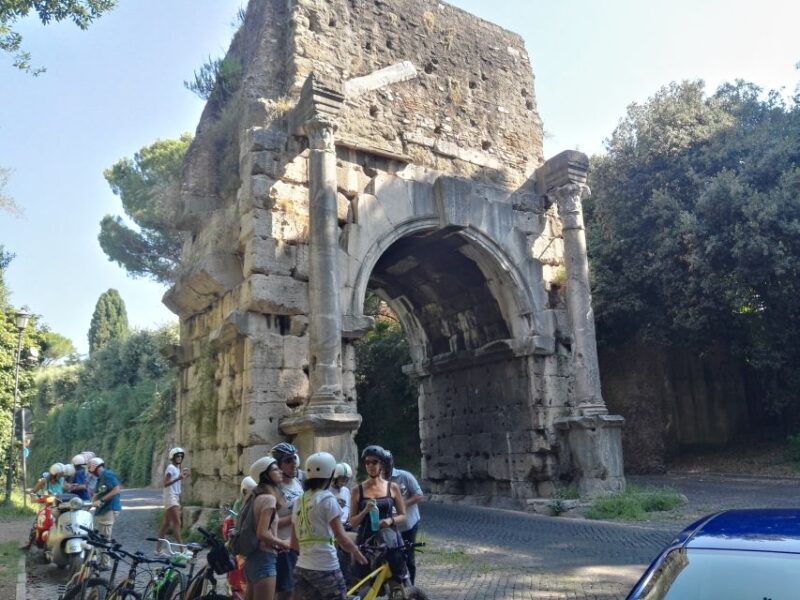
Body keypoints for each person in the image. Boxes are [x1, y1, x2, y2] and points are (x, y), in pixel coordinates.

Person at [290, 452, 366, 600]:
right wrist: (356, 552)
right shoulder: (327, 499)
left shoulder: (300, 500)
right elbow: (341, 536)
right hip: (325, 566)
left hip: (302, 567)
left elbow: (294, 544)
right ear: (331, 474)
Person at [349, 446, 408, 582]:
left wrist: (390, 521)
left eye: (374, 462)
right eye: (367, 462)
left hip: (390, 539)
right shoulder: (357, 490)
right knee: (365, 583)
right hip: (367, 541)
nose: (370, 465)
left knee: (397, 581)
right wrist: (364, 511)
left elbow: (403, 515)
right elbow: (352, 522)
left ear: (381, 464)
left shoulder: (392, 487)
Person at [245, 456, 291, 600]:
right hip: (264, 559)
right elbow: (262, 533)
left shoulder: (255, 496)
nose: (280, 472)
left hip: (253, 558)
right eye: (275, 469)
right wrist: (282, 542)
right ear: (265, 475)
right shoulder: (269, 499)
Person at [270, 442, 303, 600]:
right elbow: (271, 522)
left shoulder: (297, 482)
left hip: (300, 544)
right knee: (285, 592)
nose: (294, 463)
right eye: (288, 460)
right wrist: (295, 516)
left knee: (298, 590)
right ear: (279, 464)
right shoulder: (275, 489)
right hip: (284, 545)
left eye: (294, 458)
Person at [386, 451, 424, 584]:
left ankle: (410, 588)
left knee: (408, 557)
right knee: (392, 557)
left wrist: (402, 504)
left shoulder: (405, 476)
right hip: (390, 526)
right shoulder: (377, 481)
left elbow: (419, 495)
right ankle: (396, 586)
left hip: (409, 524)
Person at [89, 457, 121, 567]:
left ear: (93, 467)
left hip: (108, 509)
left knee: (105, 537)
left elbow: (116, 489)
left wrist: (101, 500)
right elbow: (99, 494)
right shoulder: (101, 478)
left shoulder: (107, 474)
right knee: (100, 537)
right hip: (103, 510)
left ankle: (105, 563)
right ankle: (102, 561)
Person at [157, 447, 189, 552]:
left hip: (173, 497)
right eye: (177, 456)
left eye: (181, 456)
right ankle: (182, 549)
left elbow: (175, 482)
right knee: (177, 523)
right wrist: (178, 478)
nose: (179, 458)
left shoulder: (176, 468)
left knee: (166, 524)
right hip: (171, 497)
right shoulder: (170, 467)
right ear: (173, 457)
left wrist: (181, 476)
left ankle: (158, 550)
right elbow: (165, 483)